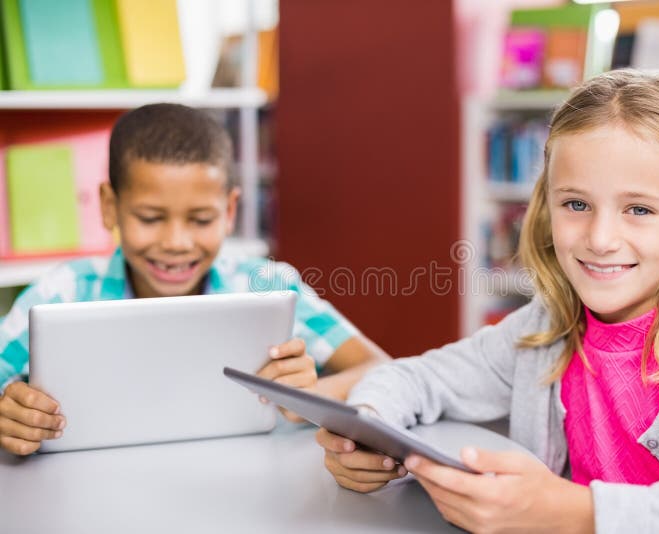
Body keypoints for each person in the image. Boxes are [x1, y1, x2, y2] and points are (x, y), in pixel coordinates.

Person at [316, 70, 659, 532]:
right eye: (576, 204)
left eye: (639, 209)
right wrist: (366, 433)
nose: (601, 238)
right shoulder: (540, 333)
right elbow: (412, 378)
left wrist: (575, 512)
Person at [0, 103, 388, 456]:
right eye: (150, 218)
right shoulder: (61, 292)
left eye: (201, 220)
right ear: (109, 206)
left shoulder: (267, 287)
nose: (176, 243)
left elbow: (377, 367)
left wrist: (311, 397)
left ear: (230, 210)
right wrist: (9, 414)